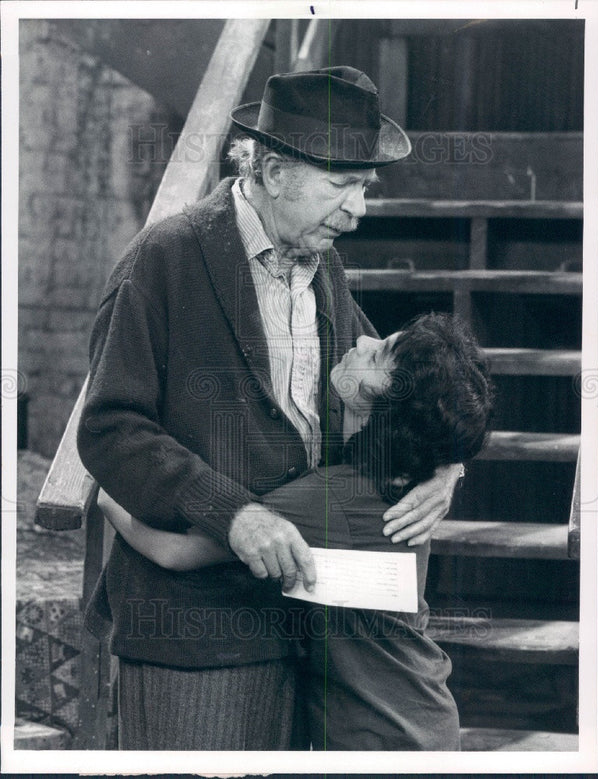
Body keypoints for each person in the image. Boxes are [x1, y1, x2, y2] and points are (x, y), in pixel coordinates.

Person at [77, 65, 464, 750]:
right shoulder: (164, 260)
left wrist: (444, 464)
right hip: (197, 636)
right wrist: (236, 513)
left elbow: (404, 378)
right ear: (275, 170)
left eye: (365, 188)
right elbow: (110, 429)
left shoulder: (325, 264)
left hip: (301, 633)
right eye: (342, 185)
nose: (359, 209)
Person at [98, 312, 494, 750]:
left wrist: (109, 492)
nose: (362, 338)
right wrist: (448, 465)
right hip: (408, 722)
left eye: (378, 353)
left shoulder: (339, 498)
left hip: (387, 738)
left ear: (386, 406)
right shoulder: (393, 477)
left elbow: (176, 551)